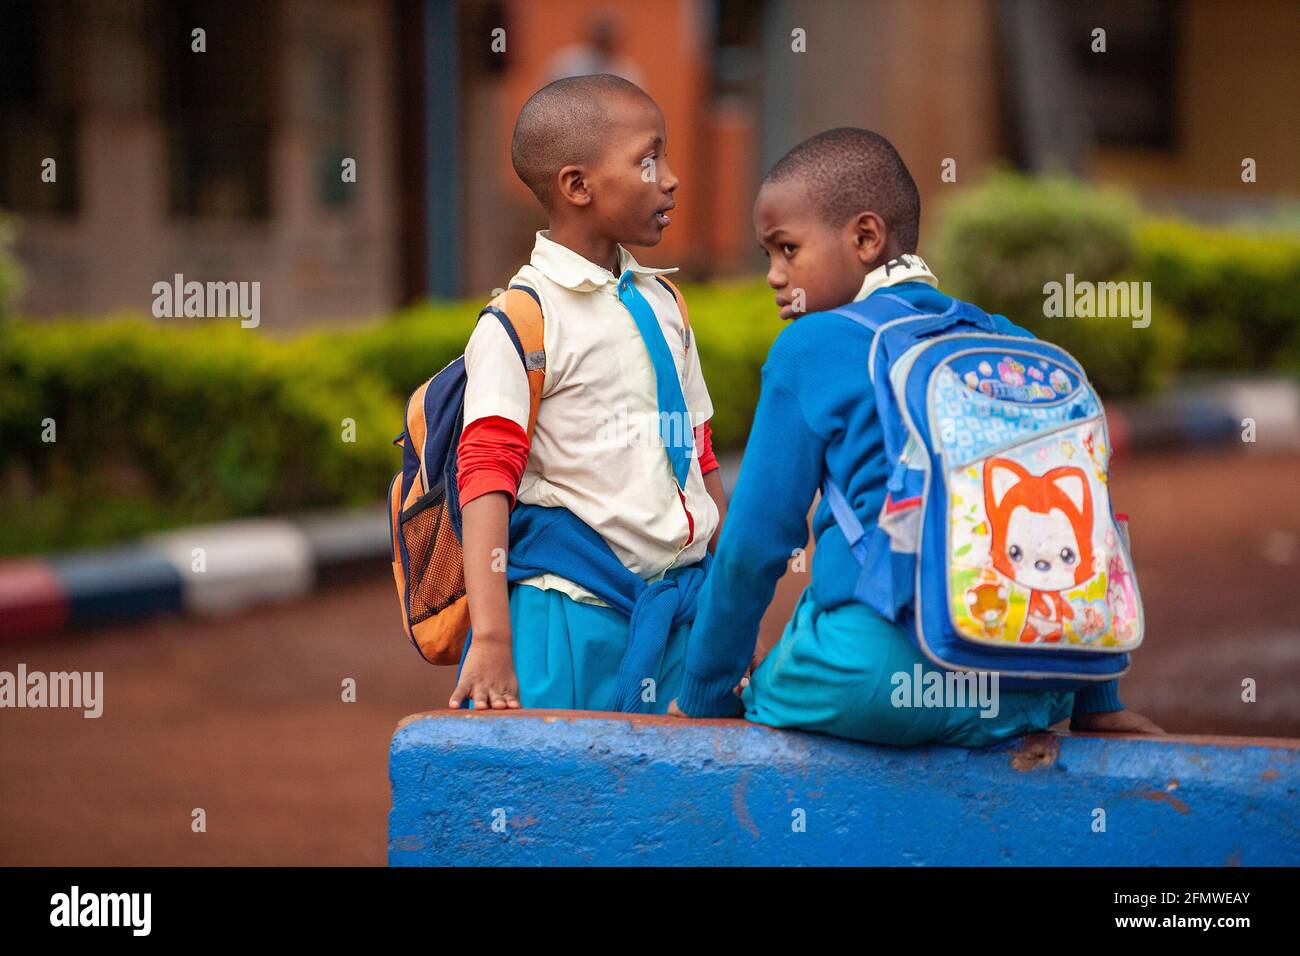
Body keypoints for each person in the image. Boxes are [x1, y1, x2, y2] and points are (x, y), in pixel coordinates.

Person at [670, 128, 1162, 744]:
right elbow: (1082, 520)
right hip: (1031, 689)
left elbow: (751, 547)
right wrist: (1098, 701)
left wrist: (706, 696)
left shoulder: (811, 347)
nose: (773, 275)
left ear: (865, 238)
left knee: (777, 673)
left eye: (786, 249)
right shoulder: (1012, 344)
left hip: (876, 683)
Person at [449, 75, 727, 713]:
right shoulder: (522, 320)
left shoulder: (665, 302)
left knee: (673, 807)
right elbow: (486, 479)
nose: (672, 178)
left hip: (677, 617)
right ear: (578, 186)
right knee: (561, 808)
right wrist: (493, 638)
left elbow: (700, 453)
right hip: (568, 621)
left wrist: (727, 605)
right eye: (649, 159)